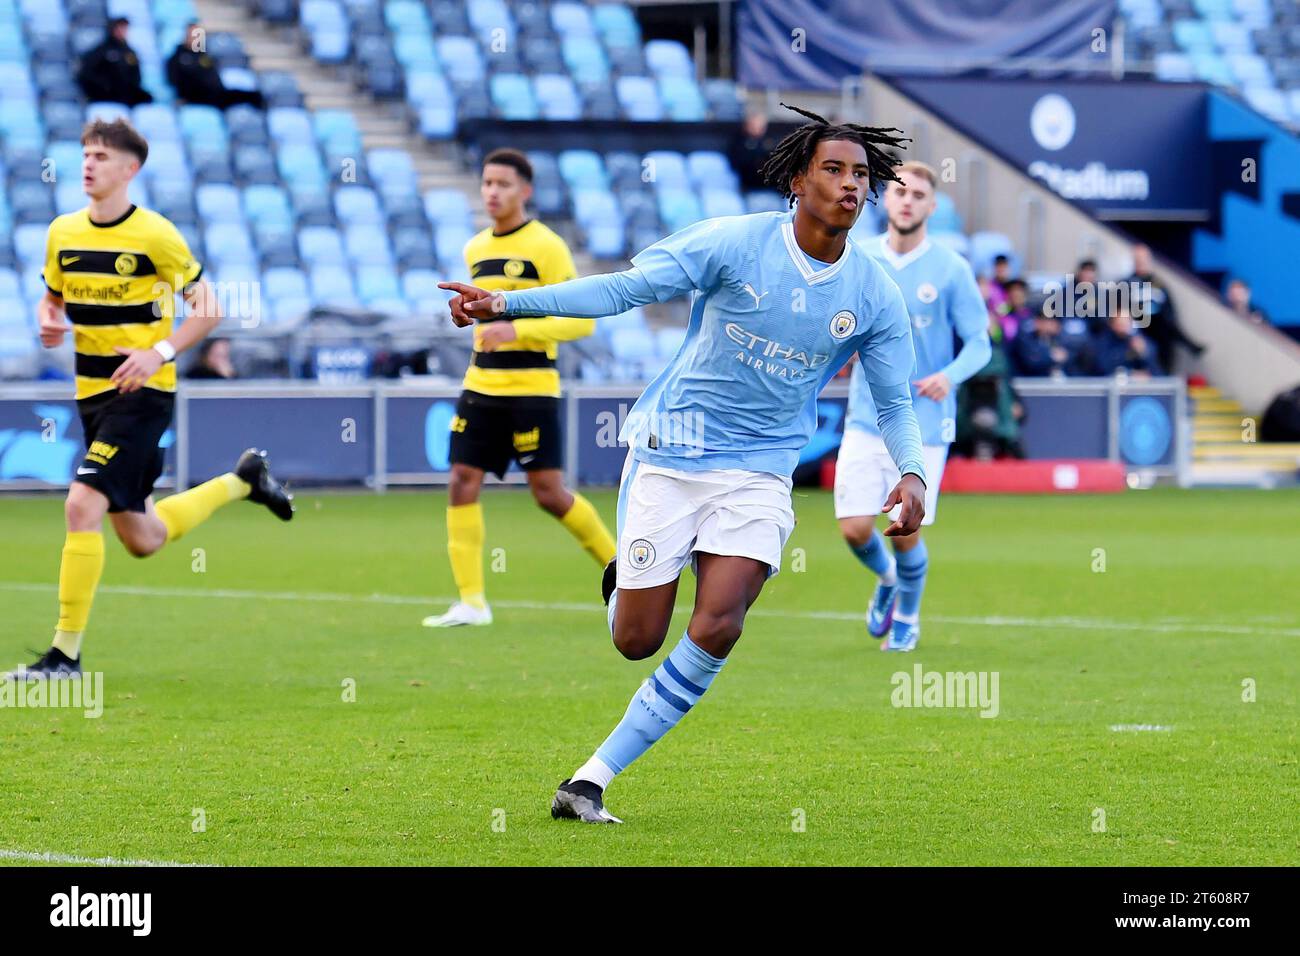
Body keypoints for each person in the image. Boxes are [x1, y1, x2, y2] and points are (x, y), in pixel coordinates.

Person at [440, 105, 927, 824]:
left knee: (721, 621)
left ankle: (590, 780)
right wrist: (507, 303)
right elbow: (619, 290)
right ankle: (624, 584)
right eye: (833, 169)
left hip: (759, 473)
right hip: (672, 452)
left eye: (861, 174)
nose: (851, 185)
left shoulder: (873, 293)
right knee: (637, 641)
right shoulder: (733, 243)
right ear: (798, 179)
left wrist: (913, 472)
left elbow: (894, 403)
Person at [4, 119, 293, 682]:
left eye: (102, 156)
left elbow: (209, 309)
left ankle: (64, 658)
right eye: (85, 154)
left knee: (79, 505)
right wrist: (47, 321)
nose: (89, 164)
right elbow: (52, 298)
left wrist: (159, 351)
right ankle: (243, 480)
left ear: (129, 169)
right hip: (89, 395)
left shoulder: (155, 236)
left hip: (142, 395)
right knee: (143, 538)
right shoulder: (63, 231)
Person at [422, 148, 616, 628]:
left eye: (503, 184)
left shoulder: (547, 246)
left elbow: (583, 322)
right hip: (480, 384)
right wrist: (467, 316)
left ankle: (625, 576)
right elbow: (486, 317)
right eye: (487, 183)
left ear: (524, 191)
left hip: (531, 388)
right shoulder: (475, 249)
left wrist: (521, 329)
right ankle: (472, 602)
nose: (492, 192)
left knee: (549, 494)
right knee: (461, 482)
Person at [834, 161, 990, 653]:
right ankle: (887, 582)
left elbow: (980, 344)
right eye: (898, 191)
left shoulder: (951, 269)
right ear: (886, 198)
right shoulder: (858, 258)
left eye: (917, 194)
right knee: (855, 527)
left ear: (931, 206)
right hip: (865, 415)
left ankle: (908, 616)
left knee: (903, 530)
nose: (906, 200)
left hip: (924, 422)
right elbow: (838, 323)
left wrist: (950, 375)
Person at [1126, 243, 1201, 371]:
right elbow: (1122, 310)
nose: (1142, 263)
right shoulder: (1127, 283)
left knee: (1166, 326)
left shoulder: (1159, 283)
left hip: (1159, 328)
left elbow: (1169, 308)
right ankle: (1189, 344)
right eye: (1139, 260)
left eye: (1144, 259)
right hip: (1139, 327)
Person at [166, 22, 265, 110]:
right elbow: (174, 80)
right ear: (186, 35)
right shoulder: (177, 57)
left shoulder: (203, 55)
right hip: (194, 97)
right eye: (194, 35)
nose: (197, 38)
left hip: (214, 94)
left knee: (251, 95)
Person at [76, 17, 153, 107]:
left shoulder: (130, 52)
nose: (123, 31)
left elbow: (136, 74)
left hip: (125, 94)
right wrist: (105, 86)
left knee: (147, 98)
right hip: (105, 94)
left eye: (124, 28)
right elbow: (86, 73)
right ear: (112, 29)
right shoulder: (101, 50)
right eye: (120, 28)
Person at [1092, 305, 1162, 377]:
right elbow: (1103, 367)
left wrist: (1144, 353)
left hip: (1138, 386)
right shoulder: (1103, 342)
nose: (1124, 325)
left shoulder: (1141, 340)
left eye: (1126, 321)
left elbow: (1156, 371)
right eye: (1120, 322)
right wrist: (1130, 374)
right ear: (1112, 324)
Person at [1013, 310, 1084, 377]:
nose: (1051, 325)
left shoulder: (1061, 340)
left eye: (1053, 321)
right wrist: (1050, 356)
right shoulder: (1026, 339)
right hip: (1032, 383)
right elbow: (1030, 362)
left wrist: (1065, 356)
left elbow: (1074, 359)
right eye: (1046, 321)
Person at [727, 110, 782, 193]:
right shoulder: (739, 142)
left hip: (773, 186)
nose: (758, 130)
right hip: (751, 186)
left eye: (761, 127)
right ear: (746, 126)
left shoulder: (770, 140)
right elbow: (737, 163)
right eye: (754, 126)